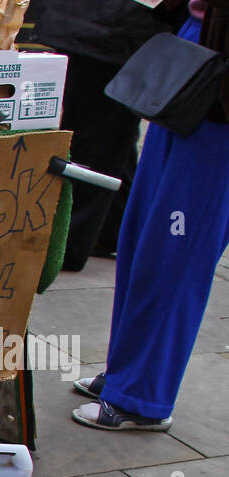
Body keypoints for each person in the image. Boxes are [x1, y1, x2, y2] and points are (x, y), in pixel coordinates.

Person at [73, 0, 229, 430]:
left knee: (178, 251)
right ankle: (127, 377)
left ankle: (142, 398)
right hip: (193, 63)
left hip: (218, 98)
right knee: (144, 235)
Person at [23, 0, 188, 270]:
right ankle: (110, 230)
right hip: (108, 27)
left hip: (108, 28)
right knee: (105, 132)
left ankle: (75, 242)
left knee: (102, 136)